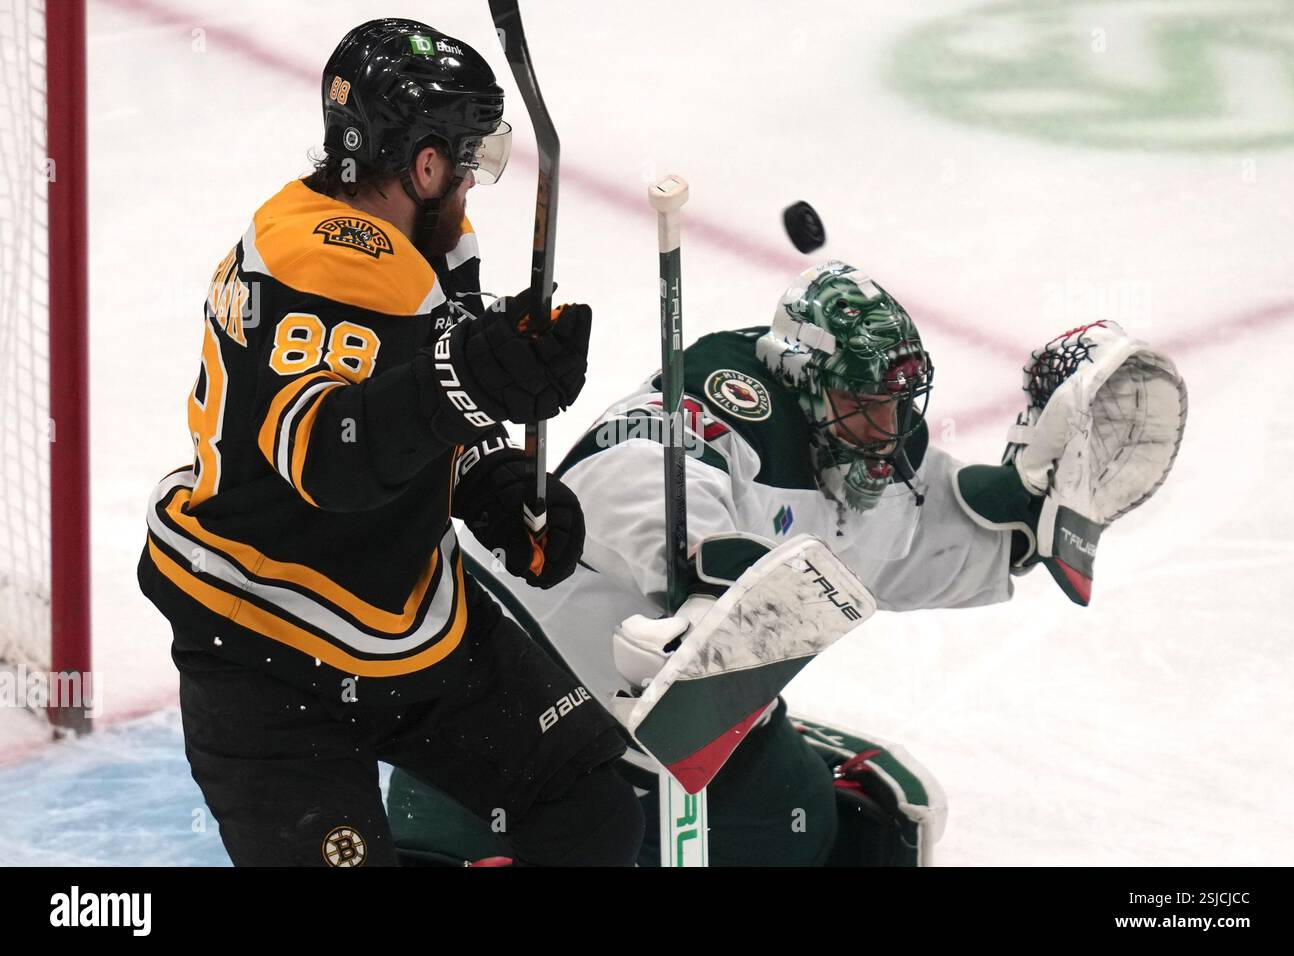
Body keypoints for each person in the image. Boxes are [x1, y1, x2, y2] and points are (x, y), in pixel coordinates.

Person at [386, 259, 1187, 866]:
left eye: (895, 406)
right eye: (862, 405)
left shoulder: (875, 457)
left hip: (693, 742)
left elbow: (906, 541)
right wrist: (707, 566)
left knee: (873, 828)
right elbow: (629, 471)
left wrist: (1029, 519)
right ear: (803, 379)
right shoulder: (723, 399)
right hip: (509, 725)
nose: (883, 428)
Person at [137, 18, 642, 867]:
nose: (475, 183)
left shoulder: (426, 247)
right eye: (470, 160)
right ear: (426, 163)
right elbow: (330, 458)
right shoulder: (320, 260)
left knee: (586, 805)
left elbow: (434, 412)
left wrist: (495, 481)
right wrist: (472, 379)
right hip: (266, 648)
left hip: (405, 620)